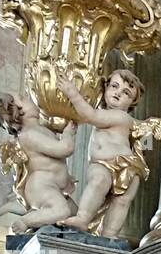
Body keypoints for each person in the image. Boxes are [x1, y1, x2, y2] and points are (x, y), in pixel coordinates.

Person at [56, 69, 149, 237]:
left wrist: (72, 93)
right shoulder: (111, 115)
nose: (118, 93)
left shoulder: (120, 116)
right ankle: (107, 233)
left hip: (117, 164)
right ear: (105, 88)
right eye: (114, 86)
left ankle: (84, 219)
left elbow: (90, 115)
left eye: (126, 93)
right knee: (119, 200)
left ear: (132, 104)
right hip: (120, 166)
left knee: (113, 195)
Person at [0, 92, 77, 231]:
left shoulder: (38, 130)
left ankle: (29, 214)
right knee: (62, 211)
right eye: (24, 99)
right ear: (20, 111)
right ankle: (25, 221)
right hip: (41, 187)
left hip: (53, 187)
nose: (30, 100)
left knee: (76, 217)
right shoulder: (29, 135)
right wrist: (68, 134)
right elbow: (64, 149)